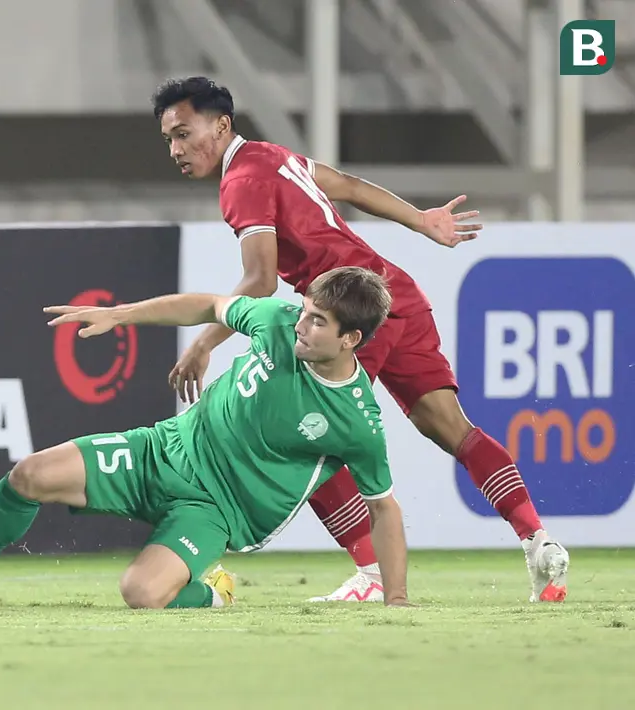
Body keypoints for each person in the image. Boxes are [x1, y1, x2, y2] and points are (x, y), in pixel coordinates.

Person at [153, 76, 568, 603]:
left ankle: (372, 575)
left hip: (347, 313)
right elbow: (347, 185)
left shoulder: (241, 181)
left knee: (306, 432)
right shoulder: (271, 157)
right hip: (397, 297)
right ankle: (538, 540)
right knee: (452, 428)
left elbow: (259, 280)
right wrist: (421, 220)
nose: (176, 149)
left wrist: (203, 343)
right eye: (168, 139)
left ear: (221, 125)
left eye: (184, 134)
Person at [0, 267, 412, 610]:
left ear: (351, 339)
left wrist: (397, 598)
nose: (301, 325)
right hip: (165, 449)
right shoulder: (277, 319)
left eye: (317, 322)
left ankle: (213, 593)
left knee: (142, 593)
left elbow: (384, 508)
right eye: (306, 312)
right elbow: (209, 305)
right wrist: (122, 315)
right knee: (31, 474)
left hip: (217, 509)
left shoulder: (355, 419)